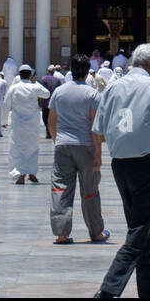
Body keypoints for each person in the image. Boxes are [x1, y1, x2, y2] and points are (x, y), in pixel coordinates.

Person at [91, 43, 150, 299]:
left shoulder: (112, 87)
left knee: (140, 229)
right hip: (146, 166)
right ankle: (109, 290)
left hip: (120, 166)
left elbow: (97, 131)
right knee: (140, 229)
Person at [48, 54, 110, 244]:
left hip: (63, 145)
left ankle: (61, 233)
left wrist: (57, 141)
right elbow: (95, 125)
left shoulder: (59, 92)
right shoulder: (92, 94)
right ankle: (96, 231)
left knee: (60, 188)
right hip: (86, 146)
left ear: (71, 70)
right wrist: (98, 153)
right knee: (90, 190)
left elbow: (51, 122)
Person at [3, 66, 50, 184]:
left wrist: (4, 121)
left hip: (17, 124)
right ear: (30, 75)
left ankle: (20, 174)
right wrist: (36, 82)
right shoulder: (34, 87)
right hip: (32, 124)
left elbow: (6, 104)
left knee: (16, 148)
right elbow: (47, 94)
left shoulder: (14, 88)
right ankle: (31, 173)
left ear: (19, 75)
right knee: (32, 148)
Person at [37, 66, 60, 137]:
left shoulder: (43, 79)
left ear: (47, 71)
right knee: (53, 118)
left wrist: (39, 101)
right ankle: (50, 131)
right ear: (53, 72)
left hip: (45, 102)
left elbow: (39, 91)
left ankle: (48, 131)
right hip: (54, 102)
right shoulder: (57, 80)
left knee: (45, 117)